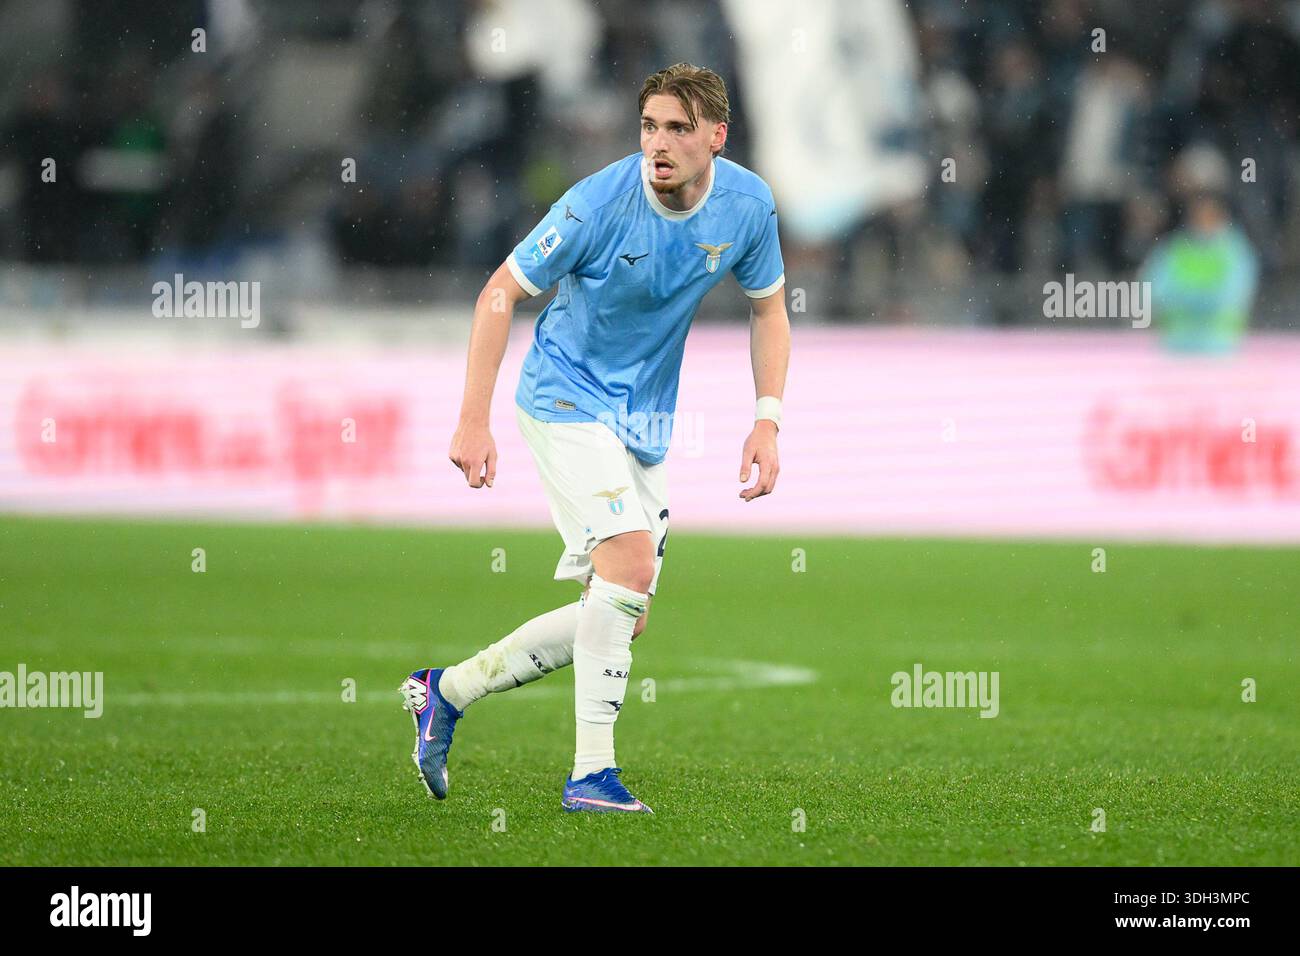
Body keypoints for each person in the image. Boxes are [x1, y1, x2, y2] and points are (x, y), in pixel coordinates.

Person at [399, 63, 790, 813]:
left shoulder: (747, 206)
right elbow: (499, 292)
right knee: (631, 561)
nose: (660, 144)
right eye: (649, 127)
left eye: (678, 128)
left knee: (621, 609)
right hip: (563, 399)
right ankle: (590, 776)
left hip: (641, 424)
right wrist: (473, 417)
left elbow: (768, 309)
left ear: (718, 136)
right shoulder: (596, 205)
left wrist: (766, 418)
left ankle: (443, 692)